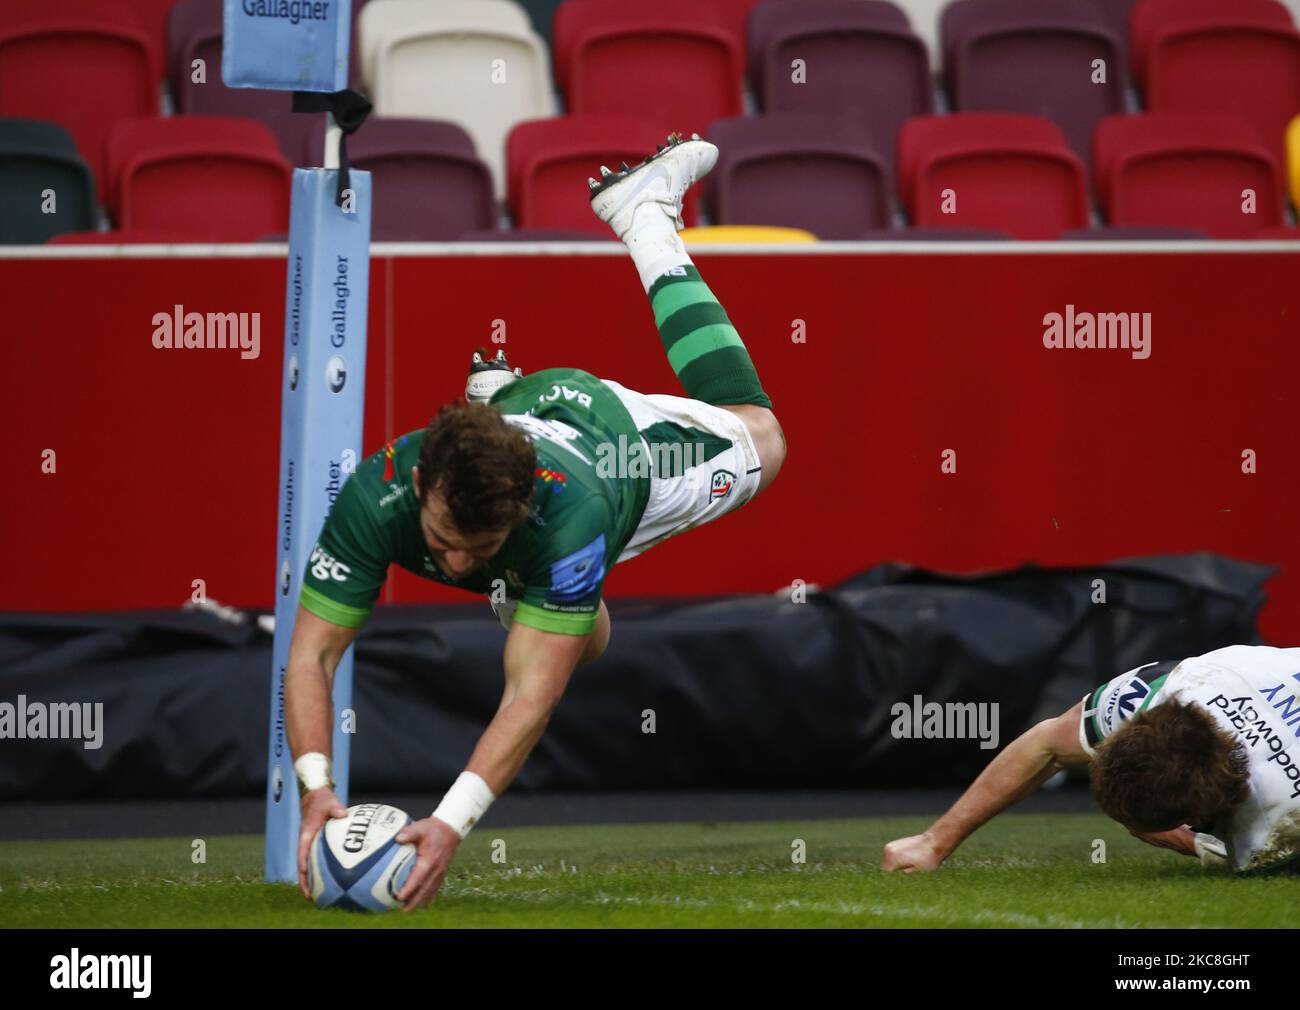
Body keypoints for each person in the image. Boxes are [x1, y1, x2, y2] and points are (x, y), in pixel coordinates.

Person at [286, 133, 787, 909]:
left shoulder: (571, 519)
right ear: (419, 484)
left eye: (477, 551)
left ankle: (643, 212)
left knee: (763, 436)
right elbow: (312, 655)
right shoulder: (375, 492)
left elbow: (528, 699)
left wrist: (450, 823)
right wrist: (314, 786)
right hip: (523, 428)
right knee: (583, 633)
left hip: (619, 454)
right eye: (443, 543)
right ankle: (508, 398)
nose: (452, 568)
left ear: (517, 515)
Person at [882, 645, 1300, 875]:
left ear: (1208, 809)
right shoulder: (1170, 686)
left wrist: (1201, 848)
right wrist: (933, 842)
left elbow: (1228, 849)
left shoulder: (1272, 831)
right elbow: (1047, 744)